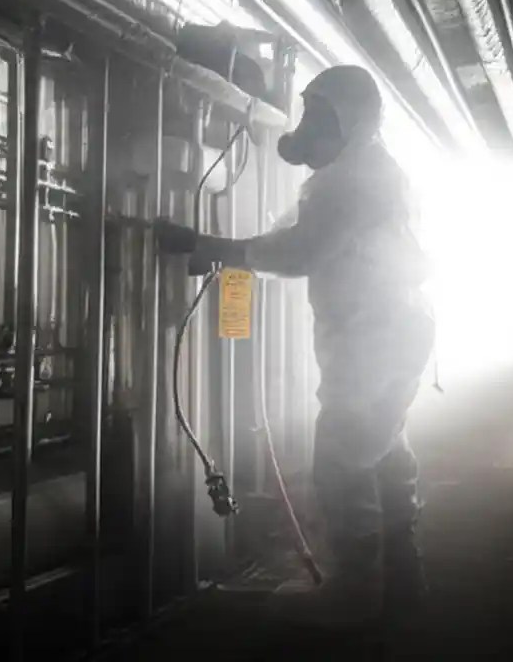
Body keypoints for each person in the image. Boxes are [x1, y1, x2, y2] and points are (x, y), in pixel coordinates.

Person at [156, 65, 435, 627]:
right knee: (383, 454)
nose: (307, 127)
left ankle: (357, 597)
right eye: (307, 112)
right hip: (387, 334)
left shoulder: (354, 181)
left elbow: (299, 251)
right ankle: (403, 580)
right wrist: (228, 245)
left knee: (340, 461)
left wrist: (211, 246)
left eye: (318, 116)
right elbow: (299, 227)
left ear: (351, 122)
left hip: (373, 337)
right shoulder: (360, 171)